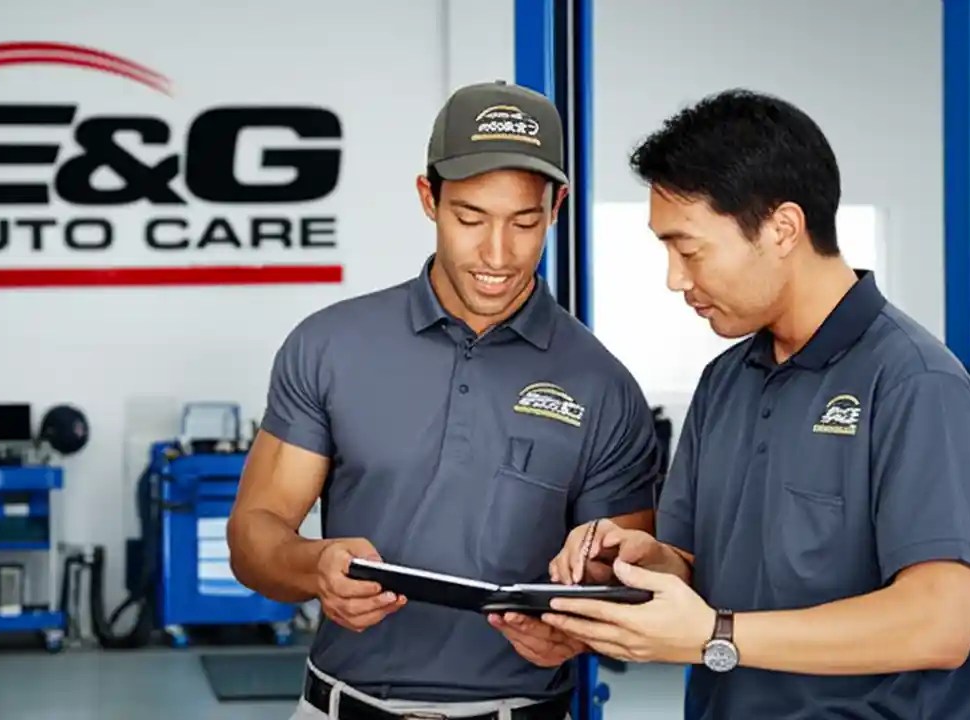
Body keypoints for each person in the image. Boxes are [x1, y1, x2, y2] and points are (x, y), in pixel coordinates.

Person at [541, 89, 970, 719]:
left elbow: (940, 624)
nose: (675, 278)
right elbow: (700, 569)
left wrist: (716, 635)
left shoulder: (915, 383)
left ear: (783, 229)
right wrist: (640, 562)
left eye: (689, 249)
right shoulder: (725, 382)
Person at [226, 79, 660, 720]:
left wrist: (578, 629)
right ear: (429, 198)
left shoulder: (605, 386)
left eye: (524, 222)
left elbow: (626, 578)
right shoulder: (329, 346)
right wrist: (313, 566)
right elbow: (252, 534)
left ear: (557, 207)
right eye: (470, 218)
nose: (497, 254)